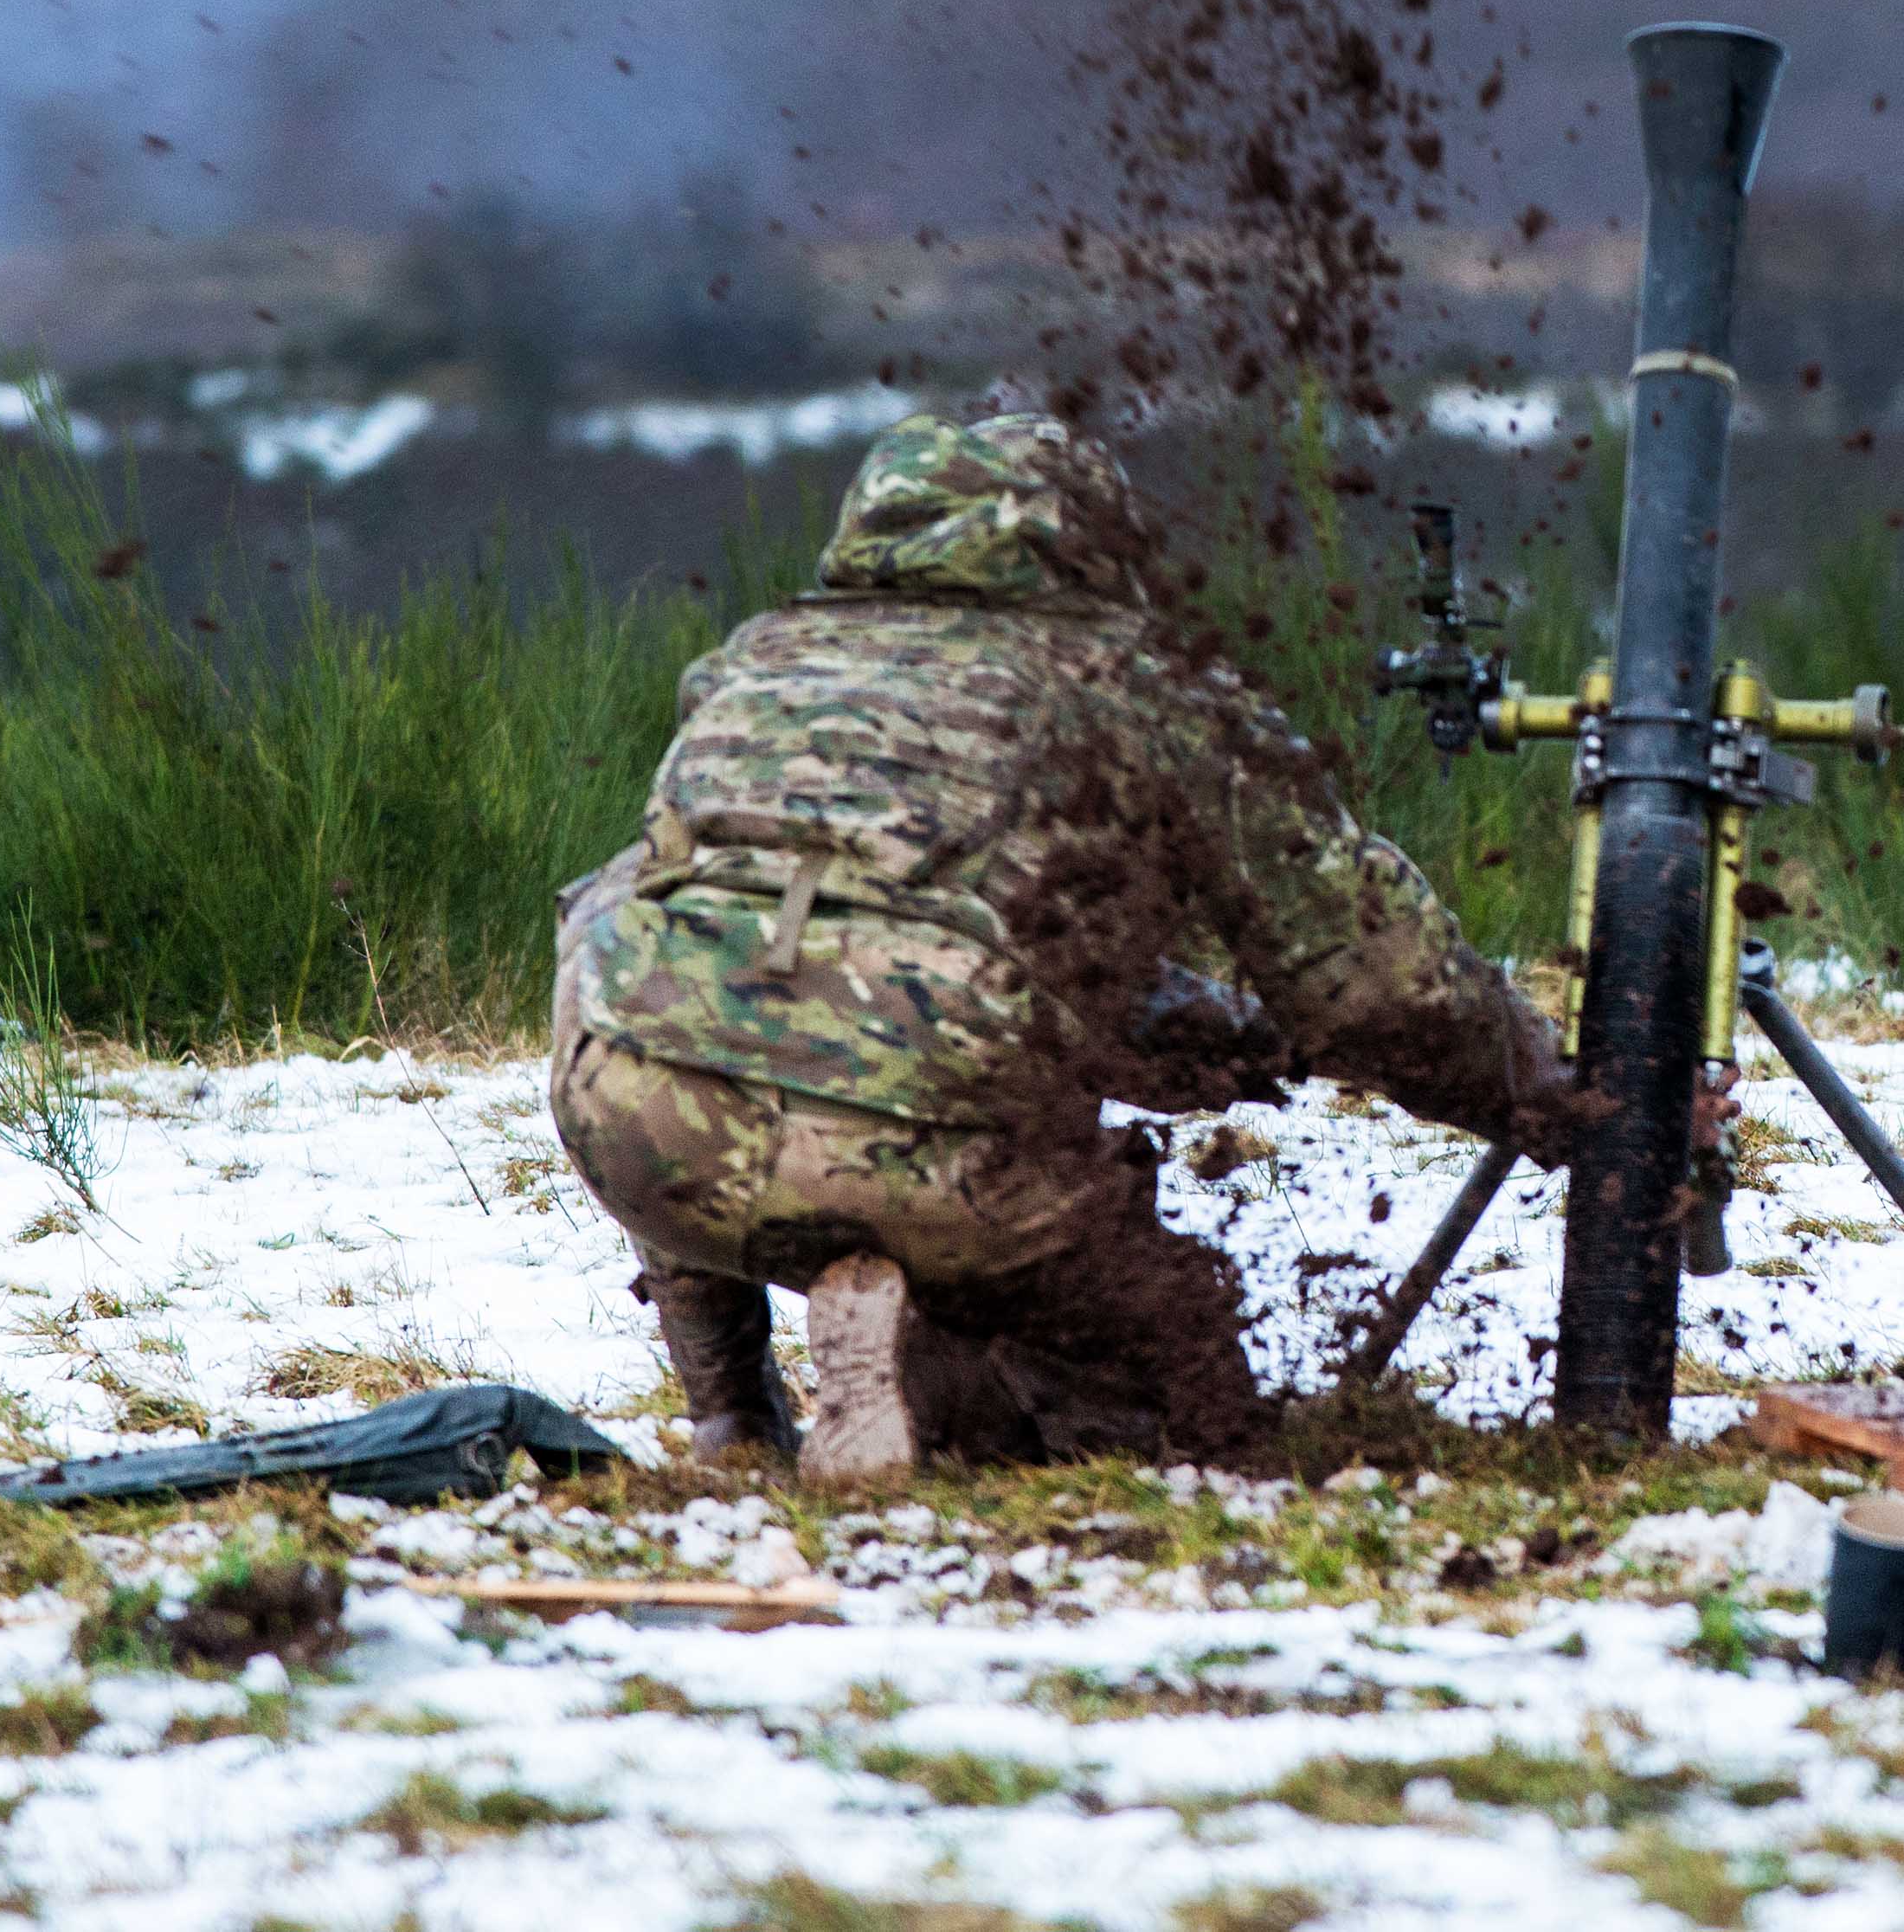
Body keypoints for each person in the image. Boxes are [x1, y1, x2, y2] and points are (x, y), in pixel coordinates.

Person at [547, 409, 1582, 1479]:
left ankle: (734, 1423)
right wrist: (1545, 1091)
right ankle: (938, 1379)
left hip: (643, 1141)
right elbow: (1375, 982)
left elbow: (877, 946)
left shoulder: (756, 663)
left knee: (646, 921)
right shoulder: (1139, 687)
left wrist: (1189, 1030)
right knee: (1158, 1405)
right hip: (940, 1158)